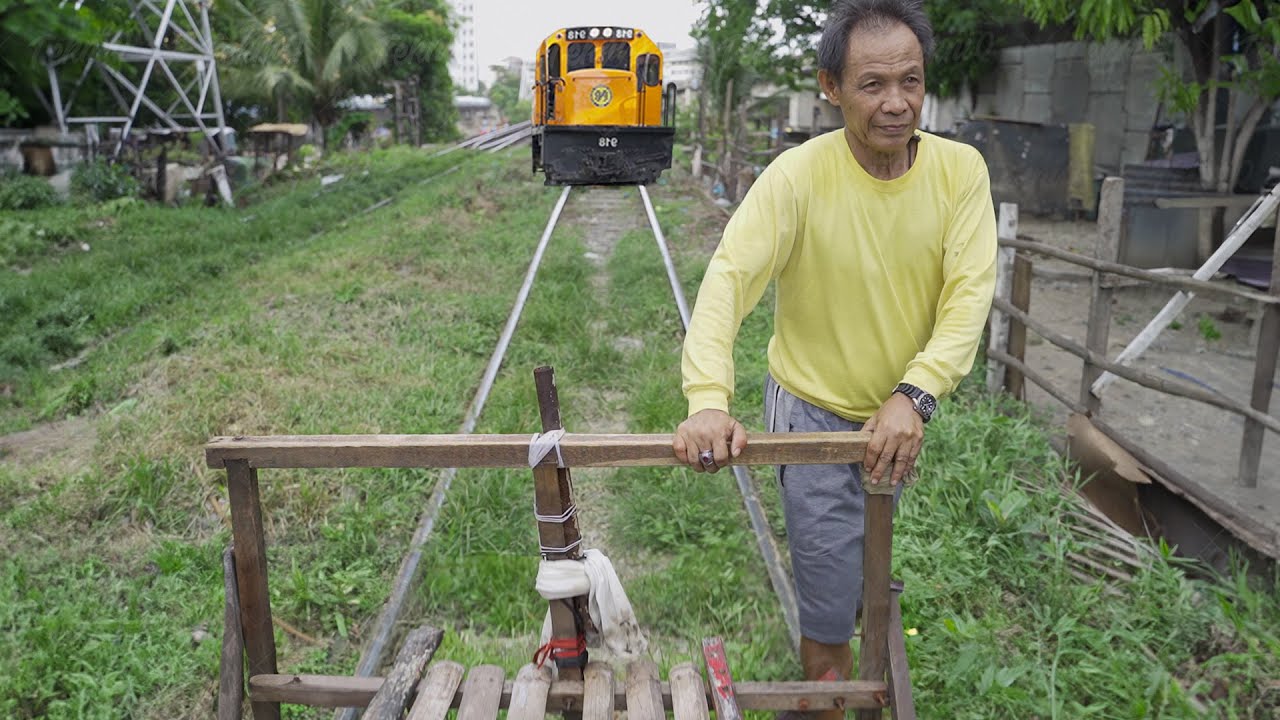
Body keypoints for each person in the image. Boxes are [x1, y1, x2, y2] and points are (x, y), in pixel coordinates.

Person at [671, 0, 997, 709]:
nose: (896, 103)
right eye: (873, 85)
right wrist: (707, 401)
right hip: (812, 414)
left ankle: (847, 644)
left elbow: (969, 296)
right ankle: (825, 692)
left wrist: (915, 394)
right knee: (829, 603)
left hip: (896, 411)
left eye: (910, 82)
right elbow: (729, 279)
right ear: (831, 88)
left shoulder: (960, 173)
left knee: (862, 567)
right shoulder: (798, 177)